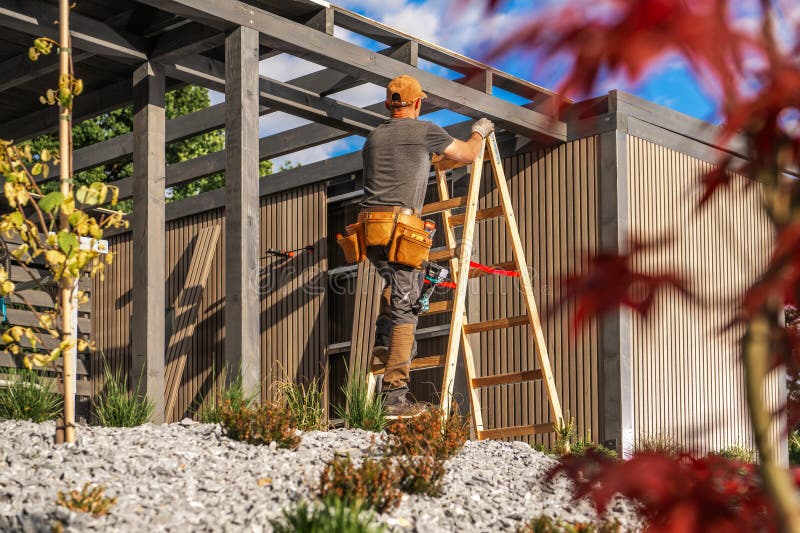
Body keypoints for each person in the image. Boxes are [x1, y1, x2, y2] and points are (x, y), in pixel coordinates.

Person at [360, 74, 494, 416]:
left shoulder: (373, 137)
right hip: (400, 233)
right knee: (407, 308)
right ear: (418, 103)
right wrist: (481, 130)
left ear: (389, 104)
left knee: (398, 289)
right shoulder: (424, 131)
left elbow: (403, 167)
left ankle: (383, 343)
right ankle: (393, 396)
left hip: (371, 234)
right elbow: (466, 154)